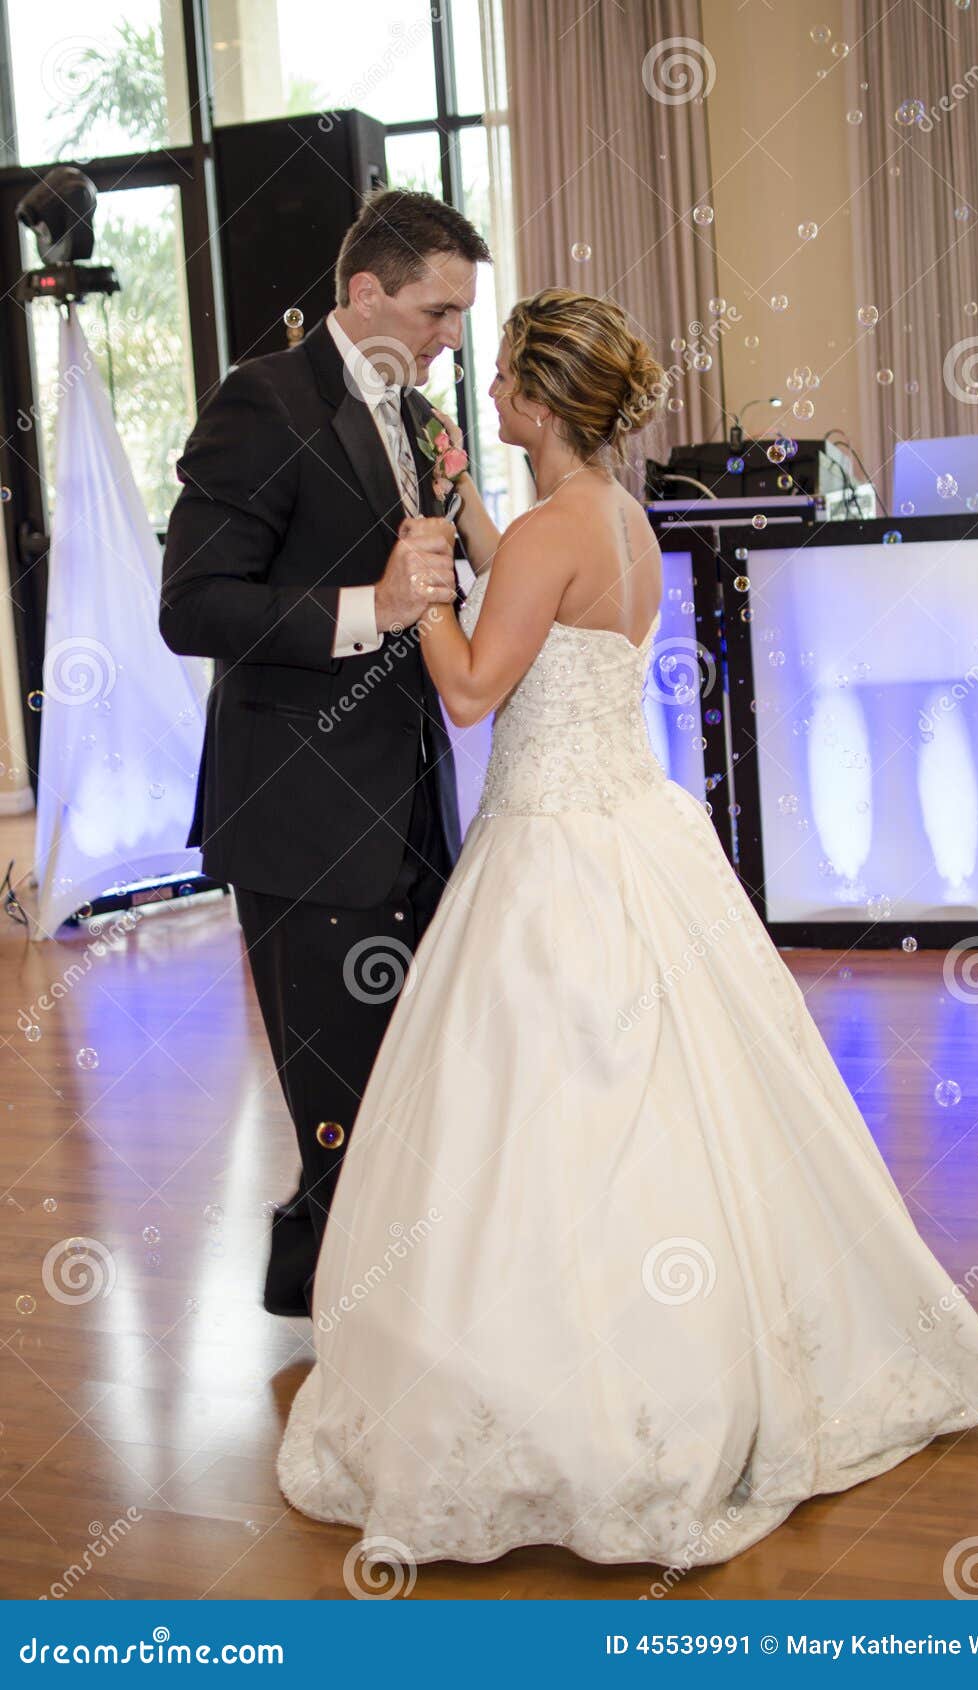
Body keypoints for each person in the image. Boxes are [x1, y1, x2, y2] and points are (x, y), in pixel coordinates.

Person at [275, 288, 978, 1567]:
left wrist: (422, 583)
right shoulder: (609, 514)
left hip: (551, 850)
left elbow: (465, 692)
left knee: (545, 1114)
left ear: (546, 402)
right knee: (680, 1100)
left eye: (505, 380)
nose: (490, 395)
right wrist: (465, 513)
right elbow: (537, 581)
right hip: (632, 824)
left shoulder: (561, 527)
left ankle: (575, 1379)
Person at [159, 190, 490, 1317]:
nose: (453, 337)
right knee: (337, 1098)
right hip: (301, 811)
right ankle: (350, 1324)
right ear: (365, 293)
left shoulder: (414, 415)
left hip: (412, 808)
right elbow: (194, 606)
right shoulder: (260, 402)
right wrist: (371, 606)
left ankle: (341, 1297)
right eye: (439, 310)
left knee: (405, 1087)